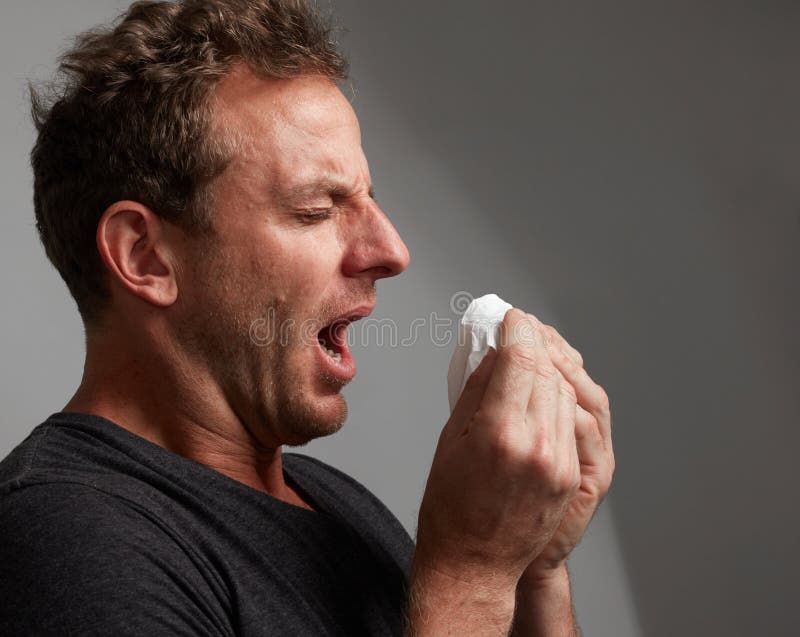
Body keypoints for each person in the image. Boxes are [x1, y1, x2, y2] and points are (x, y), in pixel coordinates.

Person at [0, 1, 615, 635]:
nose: (391, 252)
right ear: (145, 256)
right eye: (318, 209)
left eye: (368, 200)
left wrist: (531, 567)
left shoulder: (334, 506)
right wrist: (471, 574)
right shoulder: (66, 541)